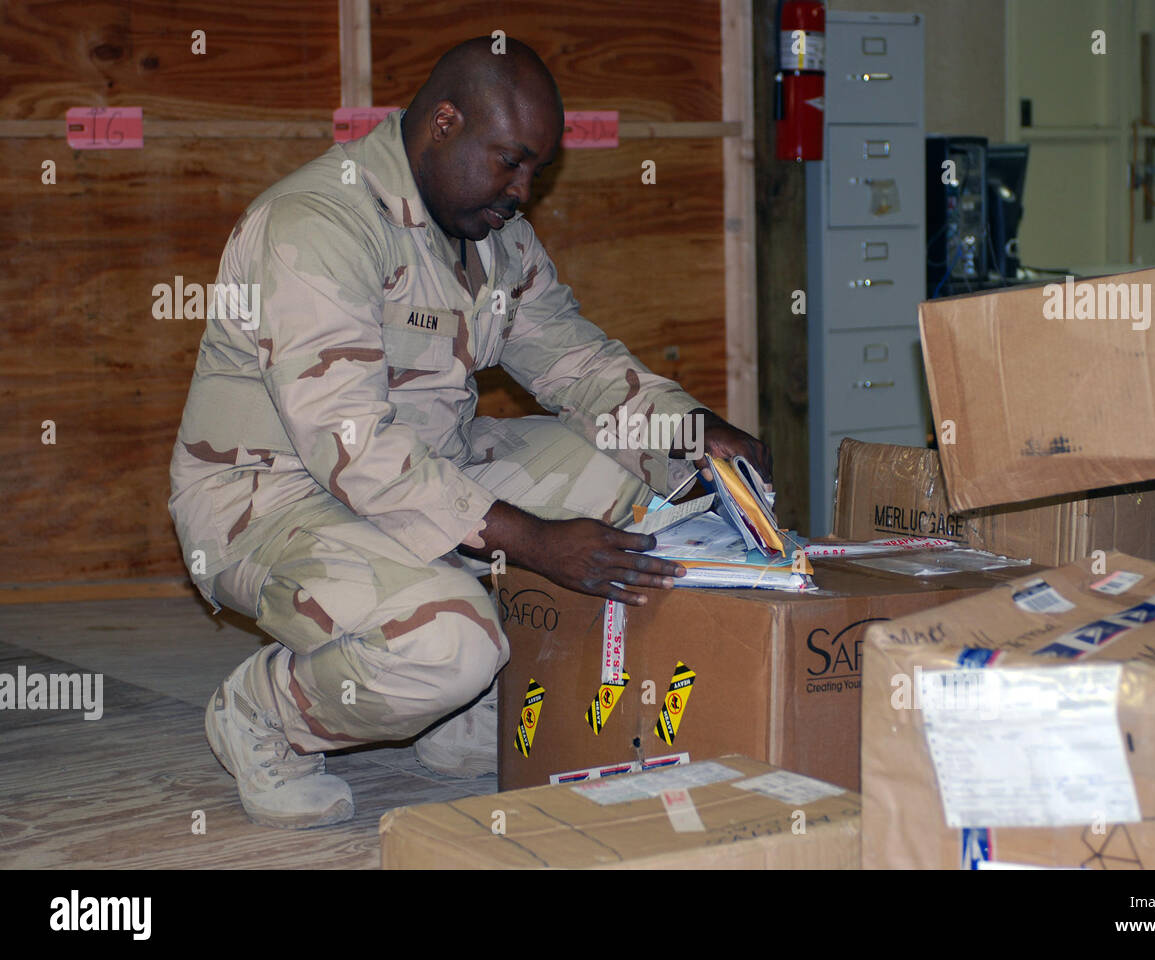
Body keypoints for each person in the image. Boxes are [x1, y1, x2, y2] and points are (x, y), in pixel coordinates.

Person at [167, 36, 772, 829]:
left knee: (646, 481)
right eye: (510, 162)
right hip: (271, 500)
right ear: (443, 122)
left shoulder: (490, 232)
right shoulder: (316, 225)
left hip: (429, 467)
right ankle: (261, 713)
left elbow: (576, 364)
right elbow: (354, 449)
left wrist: (697, 433)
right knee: (448, 642)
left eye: (536, 172)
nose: (523, 192)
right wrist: (535, 540)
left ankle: (459, 717)